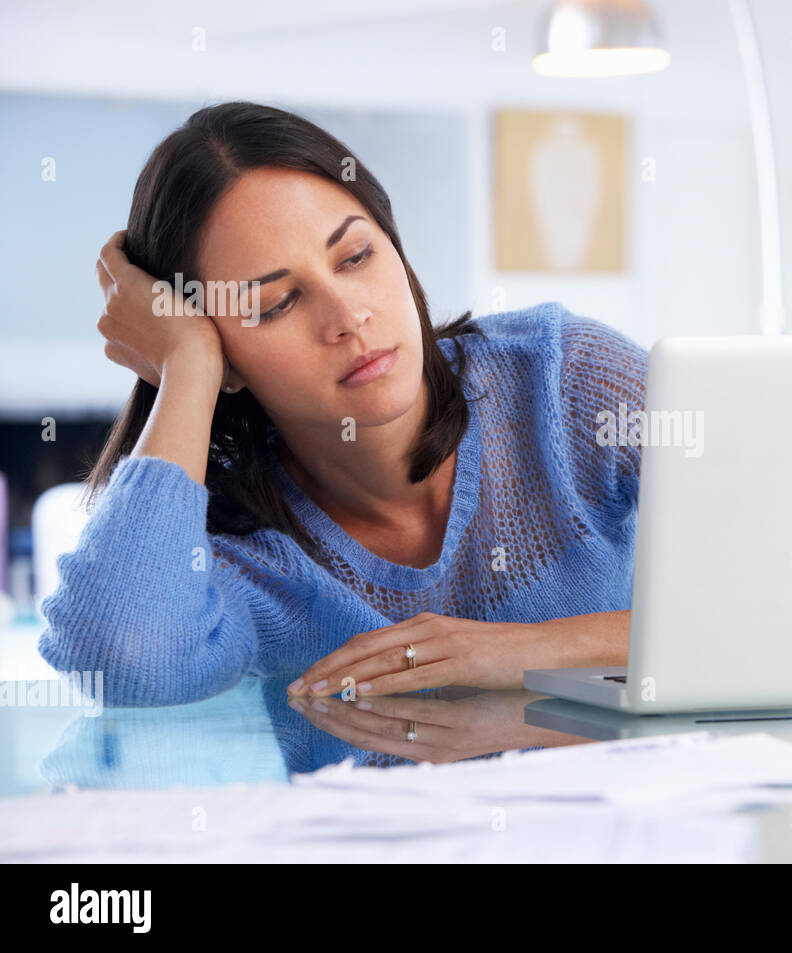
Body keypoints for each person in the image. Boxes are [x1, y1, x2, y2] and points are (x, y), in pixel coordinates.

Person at [38, 101, 646, 707]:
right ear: (229, 362)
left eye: (356, 257)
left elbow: (743, 589)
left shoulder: (565, 379)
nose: (348, 317)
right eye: (276, 303)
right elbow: (121, 658)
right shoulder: (242, 549)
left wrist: (522, 650)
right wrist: (188, 364)